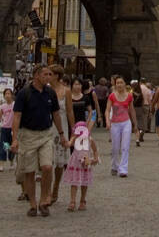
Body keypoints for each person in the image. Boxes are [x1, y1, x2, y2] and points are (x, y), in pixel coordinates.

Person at [11, 62, 67, 217]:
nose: (48, 77)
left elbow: (55, 114)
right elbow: (17, 116)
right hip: (28, 135)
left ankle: (44, 200)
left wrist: (62, 134)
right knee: (29, 171)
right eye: (45, 74)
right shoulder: (24, 93)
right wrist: (14, 139)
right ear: (36, 75)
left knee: (47, 167)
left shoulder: (50, 93)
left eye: (50, 74)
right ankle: (32, 204)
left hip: (46, 134)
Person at [49, 64, 75, 204]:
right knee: (47, 161)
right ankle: (46, 190)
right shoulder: (46, 90)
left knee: (59, 163)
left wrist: (74, 130)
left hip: (62, 127)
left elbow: (70, 111)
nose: (47, 76)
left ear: (57, 76)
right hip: (47, 127)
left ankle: (56, 187)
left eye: (50, 74)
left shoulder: (66, 91)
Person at [106, 76, 137, 176]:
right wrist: (107, 121)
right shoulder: (112, 96)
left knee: (125, 146)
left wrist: (135, 124)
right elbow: (107, 110)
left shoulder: (129, 96)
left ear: (124, 84)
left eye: (121, 82)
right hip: (115, 123)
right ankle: (114, 165)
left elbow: (132, 110)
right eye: (117, 83)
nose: (119, 84)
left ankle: (123, 169)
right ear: (115, 85)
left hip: (126, 122)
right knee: (115, 147)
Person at [65, 120, 98, 210]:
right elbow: (69, 144)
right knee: (74, 183)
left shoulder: (90, 139)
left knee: (84, 183)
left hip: (85, 163)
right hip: (76, 163)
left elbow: (95, 150)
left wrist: (95, 158)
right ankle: (72, 201)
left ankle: (82, 200)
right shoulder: (75, 139)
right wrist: (65, 142)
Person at [0, 88, 15, 172]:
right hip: (4, 129)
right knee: (4, 147)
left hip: (13, 129)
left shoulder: (15, 105)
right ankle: (1, 165)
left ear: (12, 95)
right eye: (6, 94)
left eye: (9, 93)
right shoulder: (3, 106)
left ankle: (12, 163)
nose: (7, 95)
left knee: (11, 147)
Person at [131, 79, 147, 144]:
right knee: (141, 121)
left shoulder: (131, 93)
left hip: (134, 108)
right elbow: (143, 102)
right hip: (140, 108)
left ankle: (137, 136)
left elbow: (130, 102)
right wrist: (143, 108)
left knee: (135, 122)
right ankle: (141, 132)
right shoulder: (140, 94)